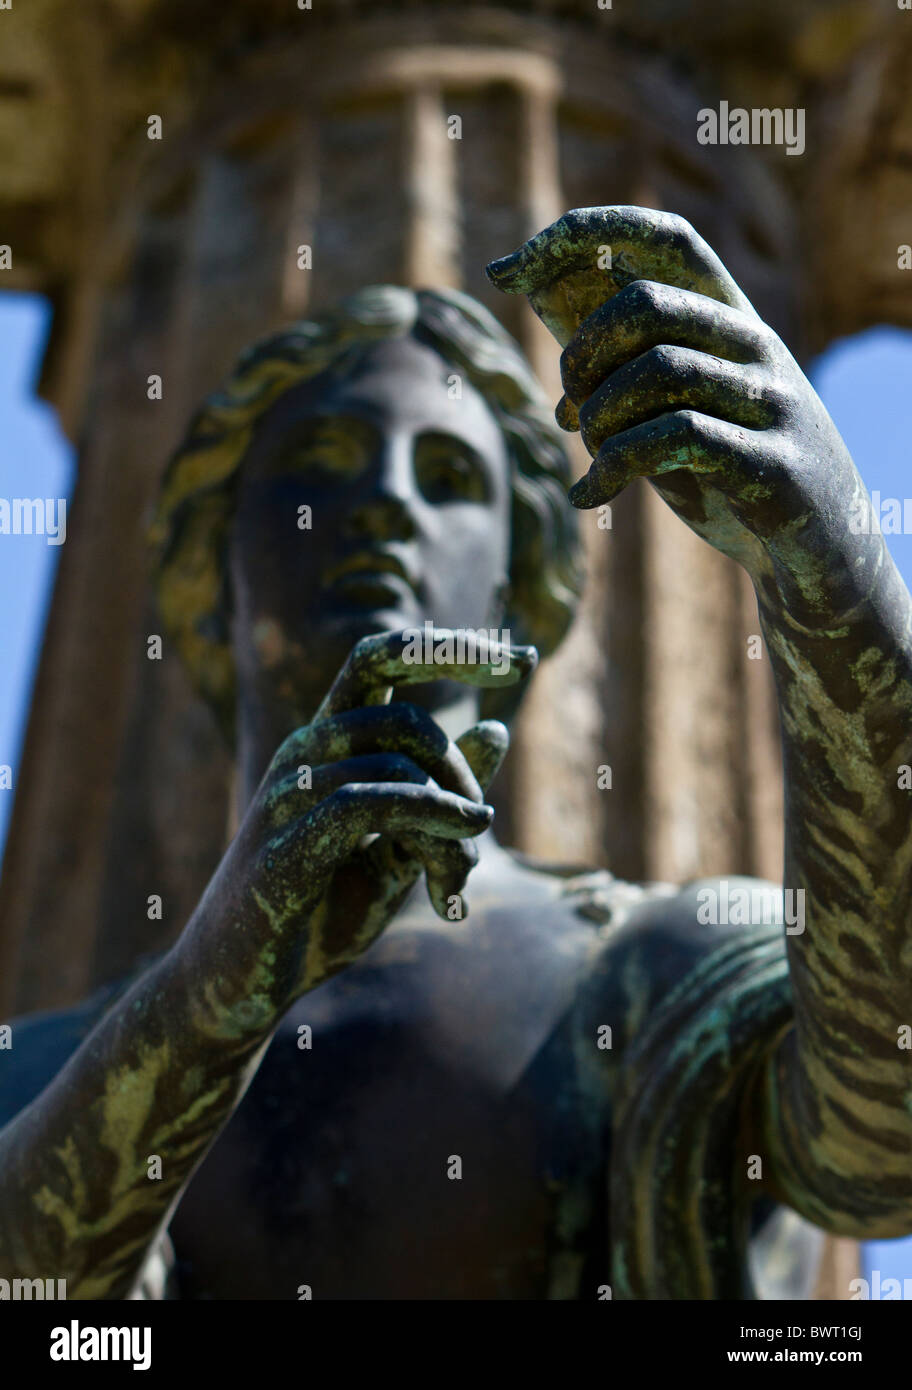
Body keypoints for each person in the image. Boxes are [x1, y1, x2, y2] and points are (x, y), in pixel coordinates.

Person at [2, 206, 911, 1300]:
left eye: (450, 476)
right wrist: (205, 1005)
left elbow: (883, 1144)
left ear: (525, 599)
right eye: (321, 462)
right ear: (211, 582)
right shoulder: (40, 1076)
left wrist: (833, 567)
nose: (385, 500)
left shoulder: (655, 970)